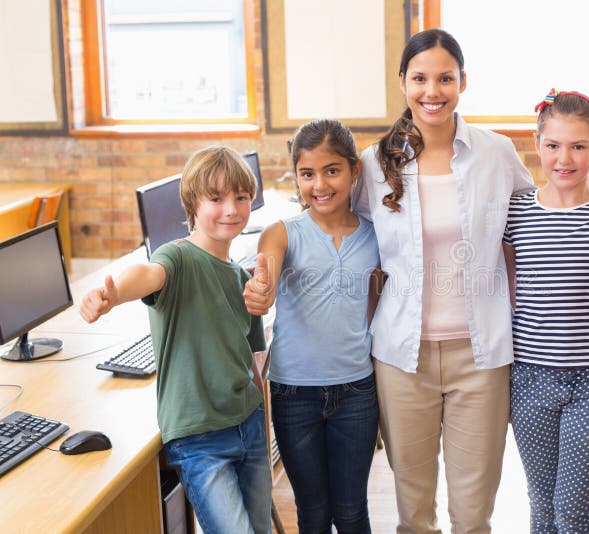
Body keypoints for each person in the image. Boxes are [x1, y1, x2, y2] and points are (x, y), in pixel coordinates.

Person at [352, 28, 534, 533]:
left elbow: (535, 227)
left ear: (463, 82)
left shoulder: (496, 153)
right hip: (400, 356)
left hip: (481, 357)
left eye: (445, 78)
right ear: (403, 83)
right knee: (413, 513)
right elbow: (339, 235)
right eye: (420, 78)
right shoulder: (373, 163)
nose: (432, 91)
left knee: (474, 515)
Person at [79, 146, 272, 534]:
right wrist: (113, 295)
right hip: (200, 439)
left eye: (241, 197)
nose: (231, 209)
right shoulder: (178, 259)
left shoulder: (240, 278)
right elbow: (148, 275)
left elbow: (251, 362)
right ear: (192, 204)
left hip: (248, 426)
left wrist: (262, 420)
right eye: (216, 199)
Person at [502, 88, 589, 533]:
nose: (565, 158)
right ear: (536, 144)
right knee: (541, 505)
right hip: (528, 379)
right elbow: (503, 287)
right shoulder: (517, 211)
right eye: (554, 145)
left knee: (575, 509)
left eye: (579, 146)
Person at [243, 119, 381, 533]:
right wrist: (260, 289)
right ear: (297, 177)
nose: (319, 184)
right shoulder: (283, 233)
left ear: (355, 170)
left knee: (352, 510)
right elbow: (265, 267)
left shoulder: (376, 235)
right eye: (307, 174)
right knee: (314, 513)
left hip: (357, 390)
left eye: (332, 170)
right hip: (293, 394)